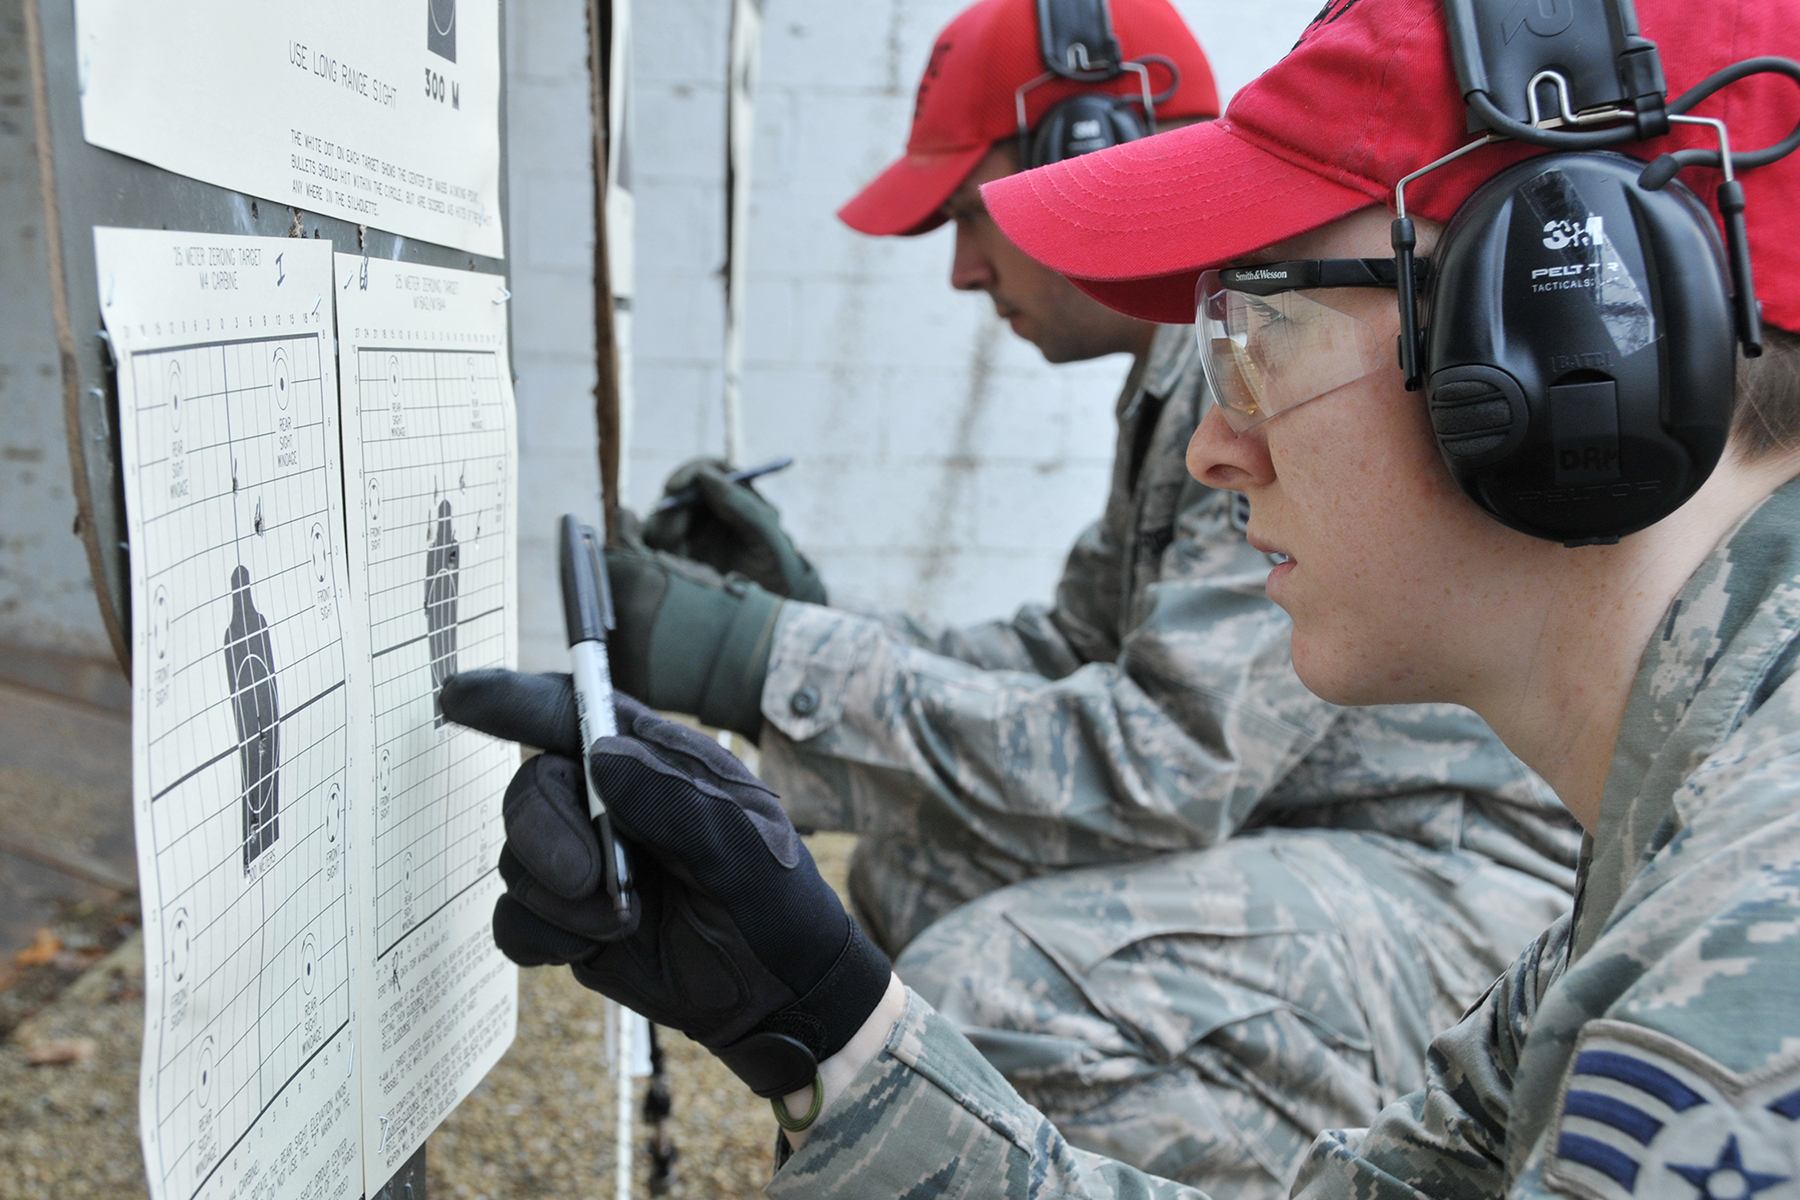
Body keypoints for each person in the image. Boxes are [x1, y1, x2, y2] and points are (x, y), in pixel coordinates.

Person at [447, 0, 1800, 1193]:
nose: (1220, 444)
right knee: (925, 884)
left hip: (1435, 879)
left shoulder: (1742, 962)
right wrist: (826, 1032)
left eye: (1260, 325)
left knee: (995, 978)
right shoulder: (1656, 872)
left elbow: (1162, 758)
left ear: (1577, 336)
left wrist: (765, 657)